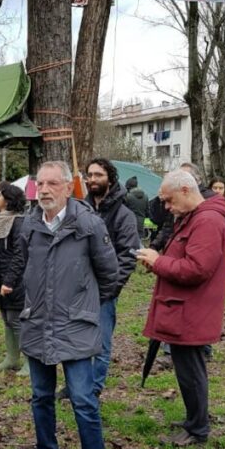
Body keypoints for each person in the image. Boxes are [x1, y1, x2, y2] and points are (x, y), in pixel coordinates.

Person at [17, 161, 119, 449]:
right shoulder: (29, 225)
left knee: (83, 399)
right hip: (37, 324)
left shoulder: (88, 224)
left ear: (69, 187)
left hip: (75, 325)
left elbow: (109, 274)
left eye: (53, 184)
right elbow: (23, 267)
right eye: (41, 184)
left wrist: (83, 305)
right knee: (41, 397)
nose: (45, 190)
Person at [136, 170, 225, 447]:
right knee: (189, 370)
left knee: (191, 373)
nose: (166, 207)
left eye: (168, 201)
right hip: (184, 309)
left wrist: (158, 262)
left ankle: (198, 429)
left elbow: (196, 269)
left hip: (192, 311)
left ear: (185, 191)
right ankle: (195, 420)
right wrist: (159, 260)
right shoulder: (193, 217)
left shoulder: (207, 221)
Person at [78, 158, 138, 397]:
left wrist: (110, 288)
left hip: (105, 291)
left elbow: (128, 256)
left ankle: (93, 389)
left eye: (98, 175)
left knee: (100, 344)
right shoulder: (80, 210)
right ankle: (77, 384)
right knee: (79, 340)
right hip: (79, 288)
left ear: (110, 179)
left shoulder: (124, 215)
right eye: (89, 175)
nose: (93, 179)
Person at [0, 181, 28, 374]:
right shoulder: (0, 219)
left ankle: (30, 362)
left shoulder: (19, 222)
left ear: (8, 200)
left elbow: (20, 255)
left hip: (15, 281)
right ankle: (12, 358)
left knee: (17, 319)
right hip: (1, 277)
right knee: (7, 318)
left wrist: (9, 281)